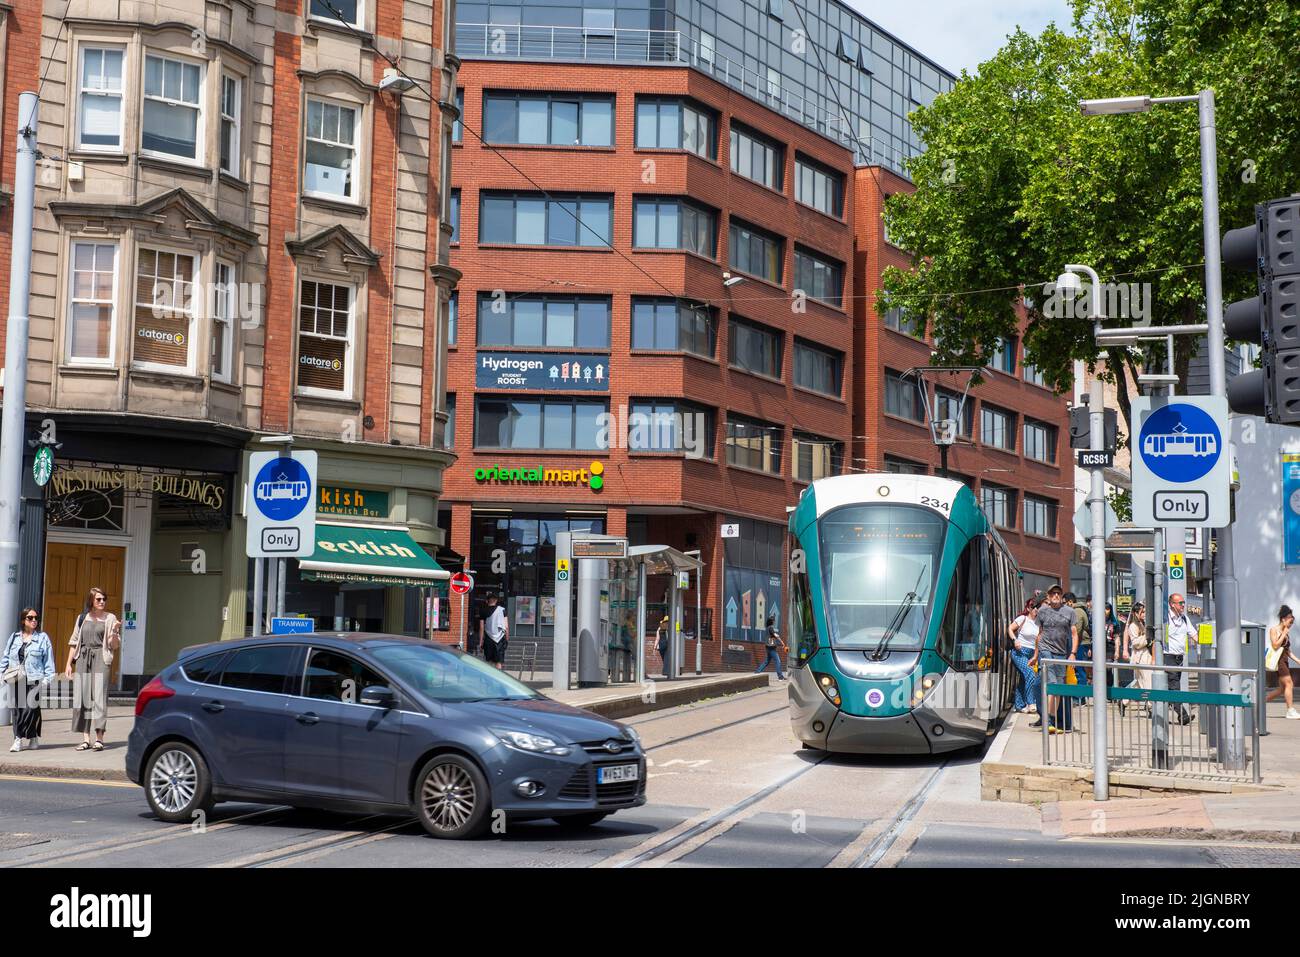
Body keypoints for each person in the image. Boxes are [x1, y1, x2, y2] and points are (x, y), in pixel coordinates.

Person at [64, 587, 120, 751]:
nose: (102, 602)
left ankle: (99, 738)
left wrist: (116, 630)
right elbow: (74, 642)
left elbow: (114, 646)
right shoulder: (82, 618)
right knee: (83, 697)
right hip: (82, 658)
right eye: (98, 599)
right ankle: (86, 739)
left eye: (104, 599)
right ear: (91, 601)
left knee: (99, 697)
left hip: (101, 658)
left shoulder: (110, 618)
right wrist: (68, 664)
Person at [1, 608, 55, 751]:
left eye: (36, 618)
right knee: (17, 710)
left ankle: (23, 736)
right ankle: (21, 739)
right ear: (23, 620)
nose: (34, 620)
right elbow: (5, 657)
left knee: (31, 709)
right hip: (16, 678)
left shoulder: (43, 638)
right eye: (30, 618)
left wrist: (47, 679)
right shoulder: (14, 637)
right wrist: (1, 675)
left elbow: (49, 661)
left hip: (35, 678)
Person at [1030, 586, 1078, 733]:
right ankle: (1048, 720)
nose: (1056, 595)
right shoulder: (1042, 611)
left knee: (1057, 688)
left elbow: (1074, 634)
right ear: (1049, 596)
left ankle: (1052, 719)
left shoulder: (1070, 612)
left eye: (1058, 593)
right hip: (1046, 650)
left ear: (1062, 596)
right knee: (1052, 683)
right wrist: (1036, 655)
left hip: (1061, 652)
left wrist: (1073, 653)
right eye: (1053, 593)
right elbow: (1039, 634)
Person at [1165, 593, 1197, 724]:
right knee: (1174, 686)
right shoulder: (1165, 617)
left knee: (1171, 687)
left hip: (1179, 657)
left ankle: (1158, 707)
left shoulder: (1184, 618)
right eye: (1180, 603)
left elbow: (1194, 635)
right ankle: (1183, 715)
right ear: (1172, 604)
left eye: (1183, 602)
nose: (1183, 605)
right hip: (1167, 656)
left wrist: (1209, 638)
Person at [1264, 605, 1299, 719]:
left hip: (1284, 660)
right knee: (1289, 683)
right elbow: (1275, 645)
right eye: (1290, 621)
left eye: (1292, 622)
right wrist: (1283, 633)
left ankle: (1260, 703)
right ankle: (1290, 710)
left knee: (1282, 689)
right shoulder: (1274, 630)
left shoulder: (1286, 633)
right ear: (1283, 619)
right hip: (1278, 662)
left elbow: (1287, 651)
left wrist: (1298, 660)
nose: (1291, 624)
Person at [1007, 599, 1041, 714]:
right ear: (1028, 609)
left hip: (1032, 654)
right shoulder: (1023, 619)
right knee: (1030, 674)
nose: (1036, 609)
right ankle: (1031, 703)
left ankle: (1019, 705)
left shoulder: (1039, 622)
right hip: (1019, 652)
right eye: (1033, 607)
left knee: (1024, 678)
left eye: (1037, 607)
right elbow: (1010, 629)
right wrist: (1015, 640)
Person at [1122, 603, 1151, 715]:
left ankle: (1124, 701)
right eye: (1142, 612)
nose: (1144, 614)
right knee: (1148, 682)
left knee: (1139, 684)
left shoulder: (1141, 624)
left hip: (1145, 656)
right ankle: (1151, 706)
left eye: (1145, 612)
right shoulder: (1133, 626)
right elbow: (1135, 643)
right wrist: (1148, 637)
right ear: (1135, 613)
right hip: (1140, 657)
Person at [480, 594, 508, 670]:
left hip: (488, 638)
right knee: (499, 662)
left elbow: (482, 627)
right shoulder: (502, 610)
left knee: (488, 661)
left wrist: (481, 642)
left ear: (487, 601)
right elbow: (506, 627)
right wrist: (507, 639)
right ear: (496, 600)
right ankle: (498, 678)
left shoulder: (483, 611)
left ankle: (489, 678)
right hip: (500, 639)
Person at [755, 615, 787, 680]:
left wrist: (778, 638)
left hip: (768, 647)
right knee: (778, 661)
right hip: (771, 647)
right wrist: (782, 642)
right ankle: (780, 676)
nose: (774, 621)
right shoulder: (771, 628)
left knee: (767, 661)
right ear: (772, 621)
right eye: (774, 620)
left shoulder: (767, 628)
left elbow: (773, 636)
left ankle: (757, 672)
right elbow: (775, 635)